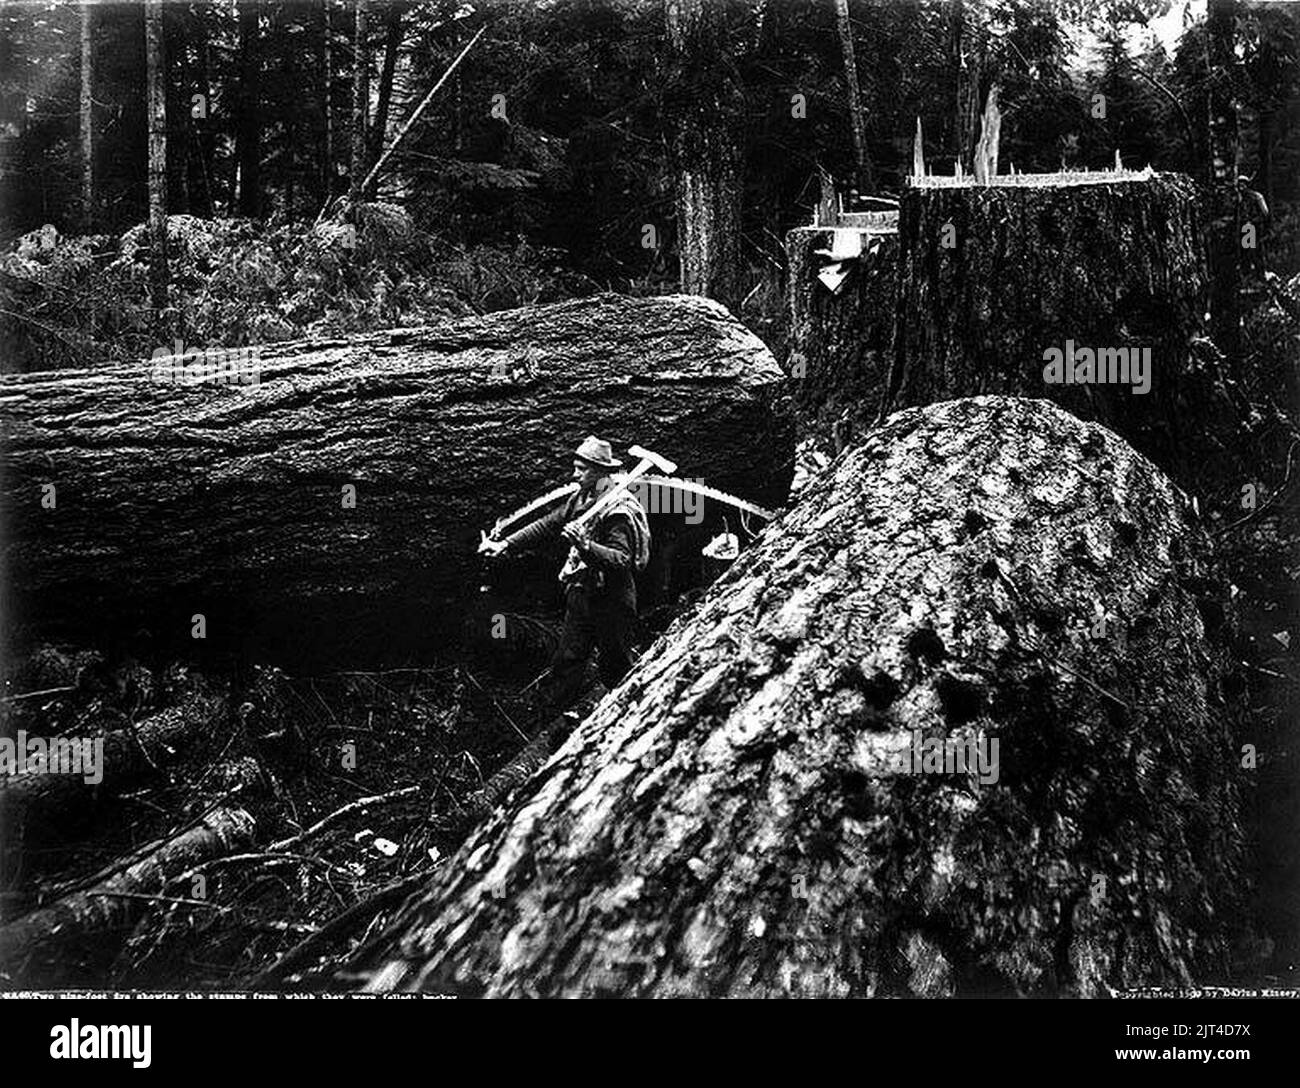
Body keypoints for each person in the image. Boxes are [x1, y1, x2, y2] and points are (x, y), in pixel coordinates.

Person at [479, 436, 650, 718]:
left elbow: (622, 561)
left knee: (616, 664)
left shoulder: (618, 510)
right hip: (581, 592)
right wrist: (506, 544)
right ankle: (551, 722)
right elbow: (548, 523)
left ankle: (628, 718)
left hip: (612, 599)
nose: (575, 474)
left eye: (581, 470)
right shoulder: (581, 498)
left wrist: (586, 546)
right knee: (568, 659)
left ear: (599, 471)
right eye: (576, 468)